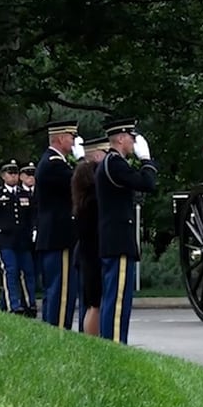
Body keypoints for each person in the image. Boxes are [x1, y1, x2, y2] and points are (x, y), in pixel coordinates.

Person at [96, 118, 157, 344]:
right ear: (120, 138)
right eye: (131, 138)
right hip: (118, 239)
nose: (133, 142)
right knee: (118, 297)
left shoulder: (110, 163)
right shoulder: (115, 163)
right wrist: (147, 160)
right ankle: (114, 343)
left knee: (113, 295)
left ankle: (110, 341)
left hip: (114, 237)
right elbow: (147, 184)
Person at [35, 119, 83, 328]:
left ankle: (52, 330)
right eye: (71, 137)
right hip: (59, 236)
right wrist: (84, 161)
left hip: (55, 235)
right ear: (60, 138)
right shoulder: (54, 164)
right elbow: (80, 183)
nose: (73, 142)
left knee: (56, 288)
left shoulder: (53, 162)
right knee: (62, 290)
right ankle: (58, 333)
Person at [71, 137, 109, 335]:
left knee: (92, 303)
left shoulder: (83, 197)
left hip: (86, 253)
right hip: (92, 254)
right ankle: (94, 340)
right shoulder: (92, 200)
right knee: (95, 304)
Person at [0, 159, 33, 315]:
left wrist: (34, 230)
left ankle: (28, 303)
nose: (13, 177)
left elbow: (31, 216)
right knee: (10, 270)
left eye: (15, 173)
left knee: (27, 271)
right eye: (10, 173)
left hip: (22, 239)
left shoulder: (24, 194)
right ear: (3, 176)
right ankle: (14, 304)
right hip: (3, 240)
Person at [18, 161, 39, 317]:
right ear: (21, 177)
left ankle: (30, 302)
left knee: (33, 272)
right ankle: (23, 302)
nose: (31, 178)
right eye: (28, 175)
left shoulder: (40, 192)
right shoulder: (17, 193)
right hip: (22, 239)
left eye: (33, 175)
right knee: (22, 271)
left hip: (39, 237)